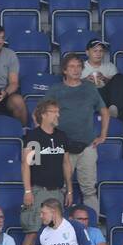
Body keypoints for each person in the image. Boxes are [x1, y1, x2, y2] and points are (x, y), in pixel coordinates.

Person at [46, 52, 109, 214]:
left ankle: (93, 226)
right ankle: (57, 227)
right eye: (72, 67)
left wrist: (103, 135)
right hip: (61, 147)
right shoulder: (56, 90)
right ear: (64, 70)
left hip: (87, 145)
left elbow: (104, 111)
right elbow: (40, 114)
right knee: (59, 188)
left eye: (79, 66)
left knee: (89, 190)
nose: (76, 70)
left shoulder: (89, 88)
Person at [20, 98, 71, 245]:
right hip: (39, 191)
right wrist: (28, 191)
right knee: (33, 232)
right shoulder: (33, 136)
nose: (57, 115)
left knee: (55, 232)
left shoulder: (61, 136)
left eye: (58, 112)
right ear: (43, 114)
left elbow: (66, 163)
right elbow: (26, 164)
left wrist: (69, 190)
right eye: (53, 112)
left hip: (57, 191)